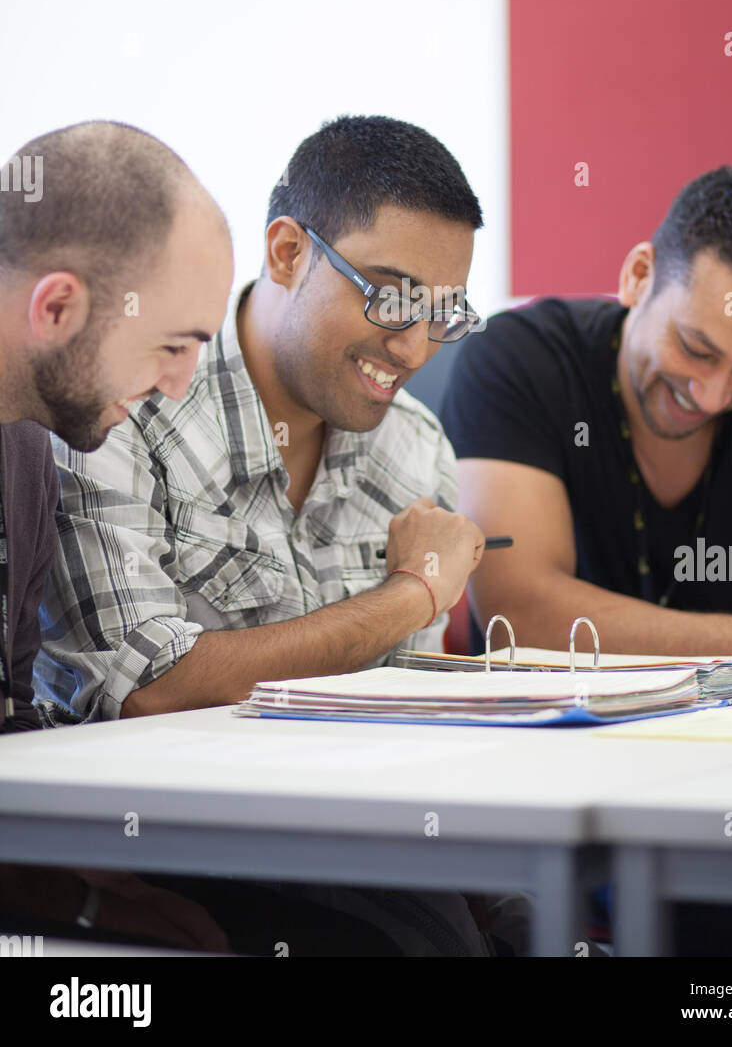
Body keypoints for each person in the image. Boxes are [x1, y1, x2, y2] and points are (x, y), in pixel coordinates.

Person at [37, 115, 516, 955]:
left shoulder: (416, 449)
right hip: (166, 849)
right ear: (289, 253)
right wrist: (409, 595)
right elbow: (148, 688)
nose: (411, 346)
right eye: (391, 296)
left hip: (369, 835)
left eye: (441, 315)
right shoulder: (119, 406)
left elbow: (411, 727)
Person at [440, 163, 732, 955]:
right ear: (638, 275)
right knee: (714, 896)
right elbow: (521, 615)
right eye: (695, 347)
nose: (710, 393)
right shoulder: (523, 360)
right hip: (535, 762)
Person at [0, 119, 234, 952]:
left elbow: (9, 727)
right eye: (172, 346)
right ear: (58, 306)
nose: (176, 387)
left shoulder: (26, 449)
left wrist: (85, 900)